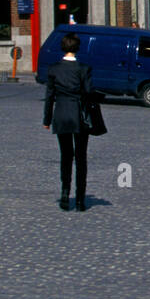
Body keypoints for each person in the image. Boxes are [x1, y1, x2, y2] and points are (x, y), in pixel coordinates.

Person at [42, 32, 95, 211]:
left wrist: (47, 119)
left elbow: (50, 96)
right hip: (79, 115)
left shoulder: (54, 69)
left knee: (65, 156)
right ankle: (80, 199)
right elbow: (88, 93)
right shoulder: (83, 69)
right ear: (77, 48)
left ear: (63, 48)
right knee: (81, 158)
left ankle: (65, 193)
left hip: (61, 115)